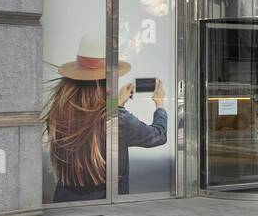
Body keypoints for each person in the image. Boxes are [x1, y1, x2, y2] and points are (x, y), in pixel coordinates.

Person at [43, 36, 167, 202]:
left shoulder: (59, 112)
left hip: (64, 202)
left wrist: (116, 103)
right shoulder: (118, 120)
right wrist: (160, 105)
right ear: (106, 82)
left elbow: (90, 117)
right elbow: (158, 135)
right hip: (105, 207)